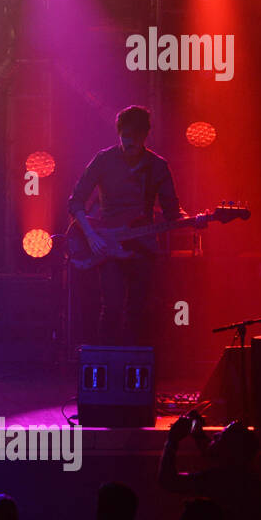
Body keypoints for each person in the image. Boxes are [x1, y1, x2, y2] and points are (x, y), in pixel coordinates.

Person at [68, 105, 192, 345]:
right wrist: (91, 234)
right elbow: (76, 201)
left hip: (142, 246)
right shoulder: (104, 160)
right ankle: (105, 369)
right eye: (124, 136)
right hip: (108, 245)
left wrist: (194, 220)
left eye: (134, 137)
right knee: (112, 307)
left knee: (138, 311)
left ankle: (133, 371)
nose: (128, 142)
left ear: (145, 135)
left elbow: (172, 213)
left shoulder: (157, 166)